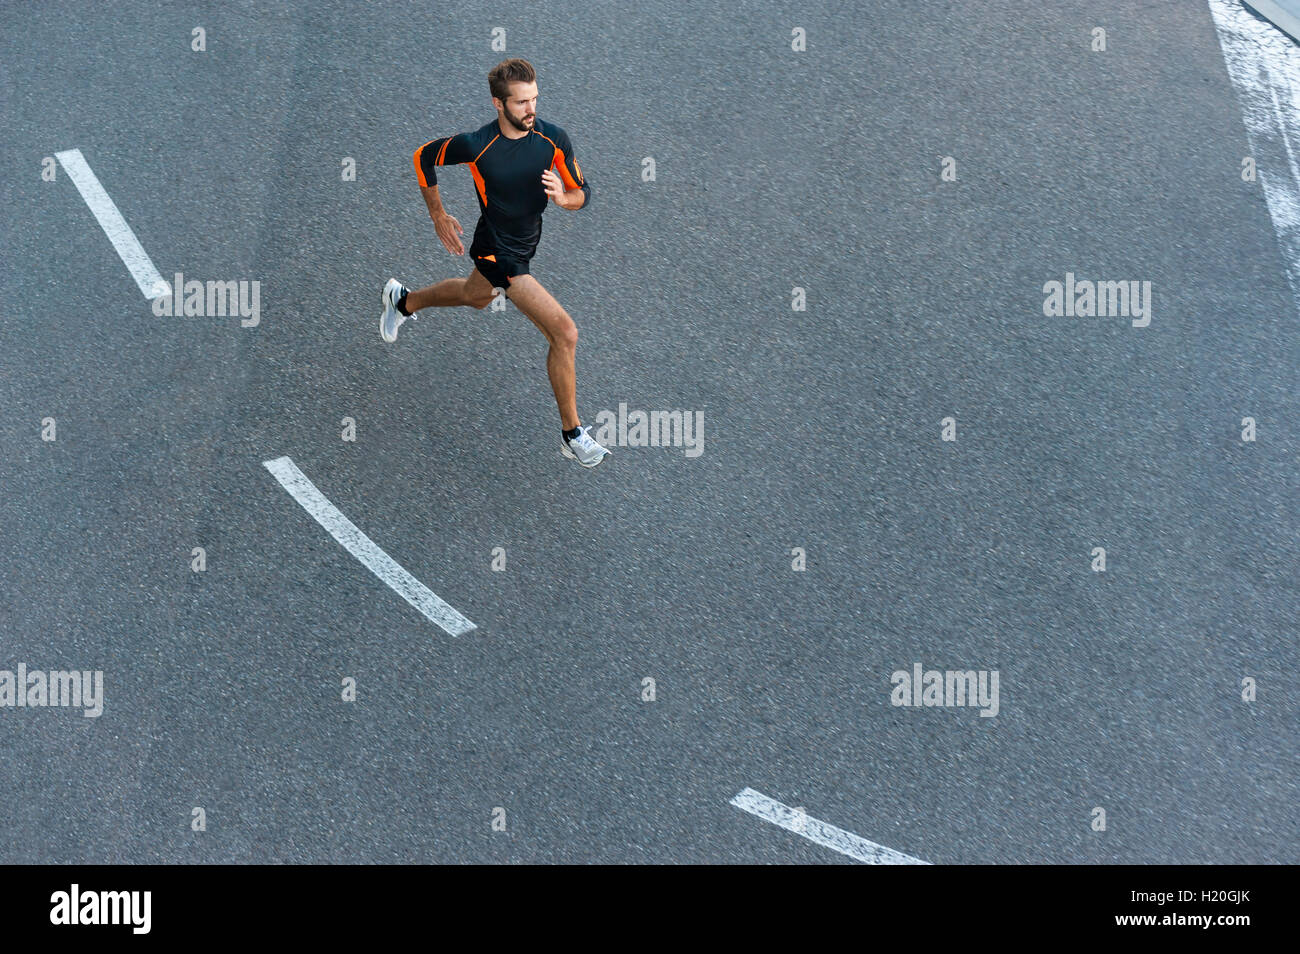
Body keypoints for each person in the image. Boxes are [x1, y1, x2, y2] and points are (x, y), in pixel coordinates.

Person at [381, 58, 610, 468]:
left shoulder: (554, 139)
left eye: (534, 99)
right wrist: (437, 213)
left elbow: (583, 193)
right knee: (565, 333)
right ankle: (572, 434)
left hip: (525, 245)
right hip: (496, 251)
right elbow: (423, 157)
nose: (530, 109)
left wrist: (563, 198)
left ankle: (402, 301)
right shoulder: (476, 145)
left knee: (476, 297)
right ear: (498, 104)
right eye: (521, 102)